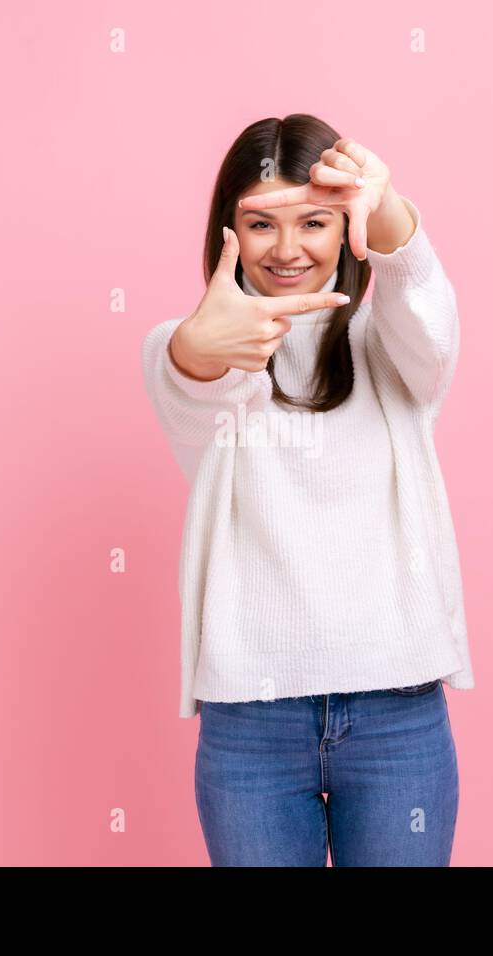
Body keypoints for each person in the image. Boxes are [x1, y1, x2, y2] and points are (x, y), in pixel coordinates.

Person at [140, 113, 475, 865]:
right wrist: (201, 344)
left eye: (315, 222)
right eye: (261, 224)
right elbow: (191, 375)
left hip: (397, 714)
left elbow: (429, 321)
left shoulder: (390, 339)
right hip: (250, 728)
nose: (288, 250)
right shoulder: (188, 349)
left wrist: (387, 213)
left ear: (345, 225)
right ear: (226, 231)